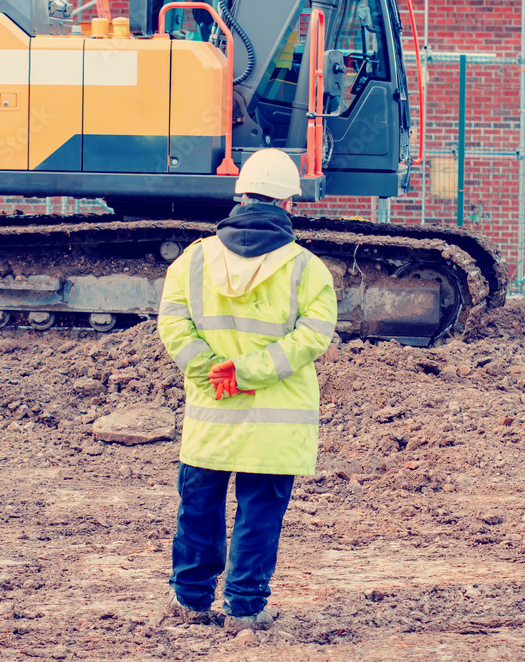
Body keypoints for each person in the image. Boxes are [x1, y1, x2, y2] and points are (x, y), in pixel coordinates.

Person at [156, 148, 338, 632]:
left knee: (198, 508)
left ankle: (191, 601)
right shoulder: (306, 268)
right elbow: (312, 337)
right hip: (276, 424)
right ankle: (244, 609)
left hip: (210, 416)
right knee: (259, 515)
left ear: (239, 196)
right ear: (289, 204)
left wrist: (213, 372)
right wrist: (248, 371)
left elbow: (174, 325)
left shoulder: (192, 261)